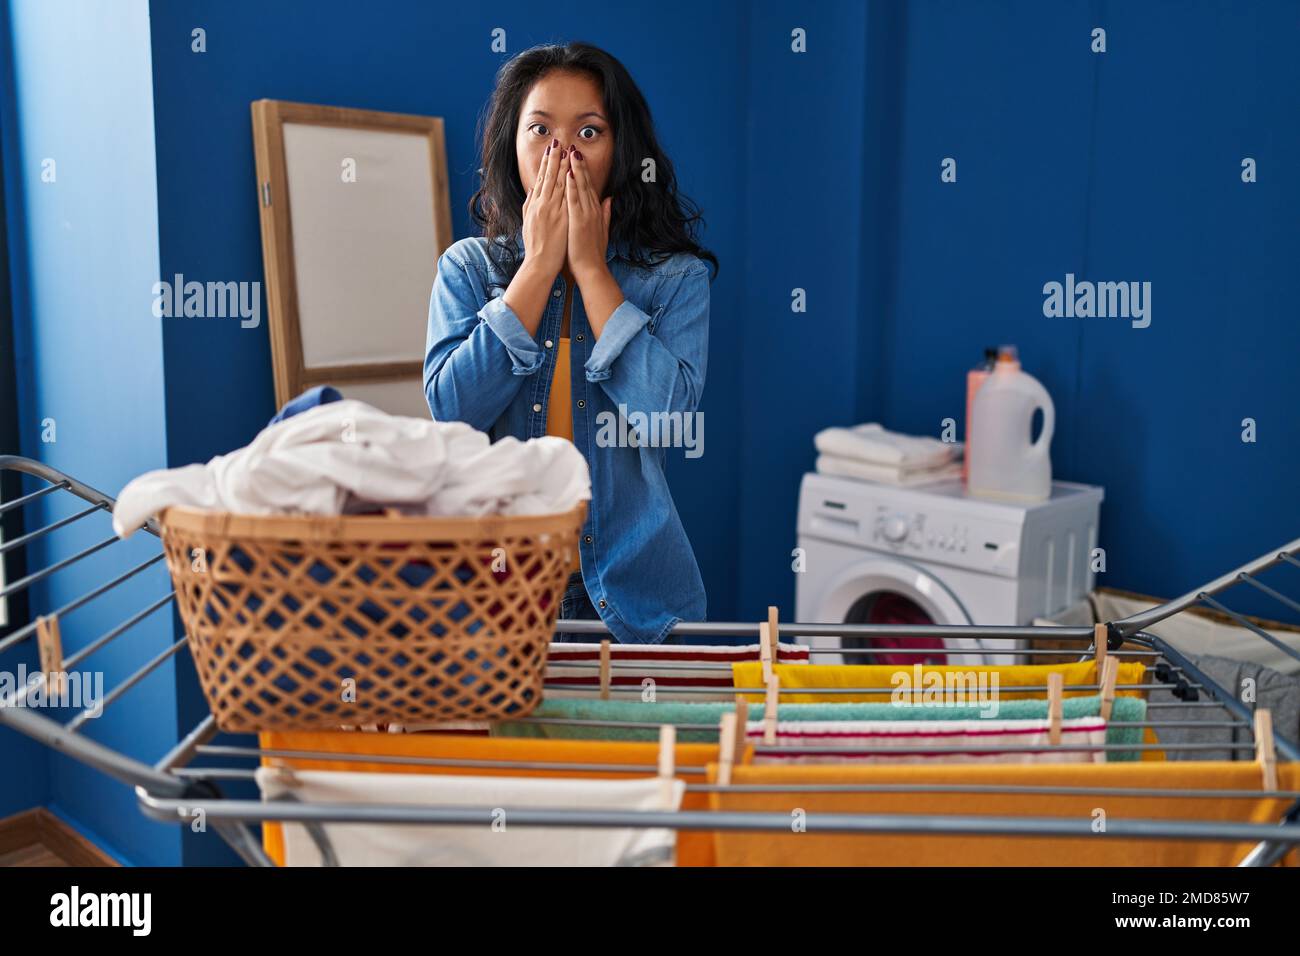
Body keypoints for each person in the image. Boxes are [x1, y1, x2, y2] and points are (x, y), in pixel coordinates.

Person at [424, 41, 717, 645]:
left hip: (638, 601)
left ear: (620, 150)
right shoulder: (469, 269)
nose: (563, 154)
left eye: (589, 131)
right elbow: (452, 410)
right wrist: (536, 270)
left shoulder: (673, 278)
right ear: (514, 146)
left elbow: (666, 420)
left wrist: (590, 271)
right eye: (540, 130)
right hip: (496, 600)